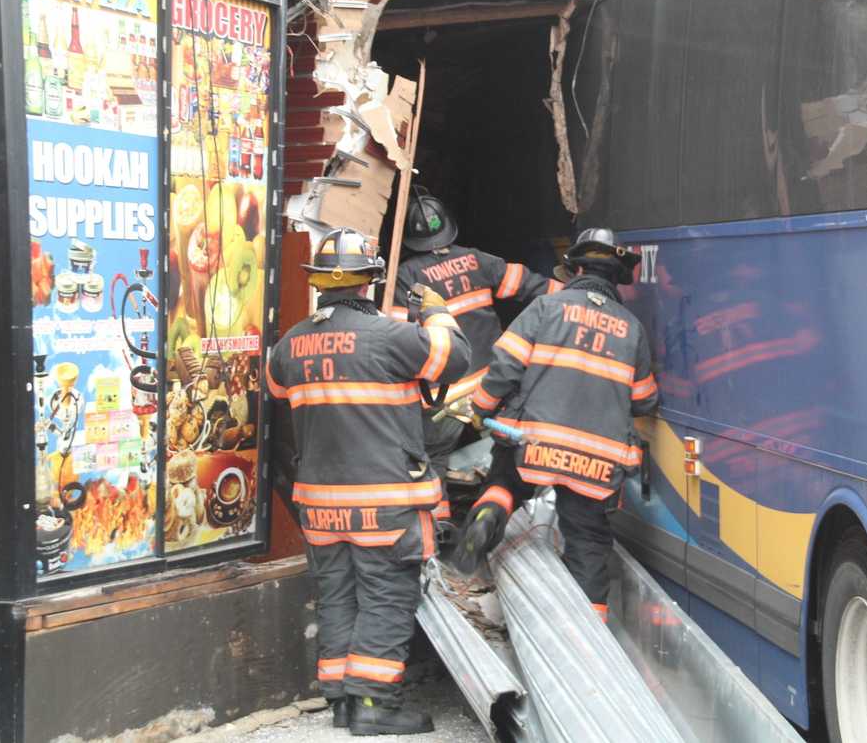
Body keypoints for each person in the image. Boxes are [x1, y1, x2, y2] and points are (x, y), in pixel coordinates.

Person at [267, 227, 470, 736]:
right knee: (384, 597)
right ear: (369, 283)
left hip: (320, 506)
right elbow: (455, 358)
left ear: (319, 283)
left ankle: (340, 702)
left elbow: (275, 384)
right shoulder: (391, 336)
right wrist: (437, 311)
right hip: (385, 503)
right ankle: (375, 708)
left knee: (337, 595)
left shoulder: (289, 345)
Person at [453, 228, 659, 621]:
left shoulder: (545, 309)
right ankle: (591, 632)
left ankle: (489, 515)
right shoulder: (632, 329)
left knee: (504, 482)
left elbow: (504, 368)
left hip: (534, 441)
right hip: (597, 460)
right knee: (588, 541)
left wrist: (481, 408)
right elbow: (644, 399)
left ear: (575, 268)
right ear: (616, 278)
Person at [389, 189, 561, 522]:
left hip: (444, 399)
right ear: (449, 227)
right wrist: (577, 297)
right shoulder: (477, 260)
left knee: (429, 458)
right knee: (508, 455)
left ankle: (438, 528)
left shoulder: (406, 276)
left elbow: (400, 342)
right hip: (493, 387)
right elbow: (536, 288)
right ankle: (508, 517)